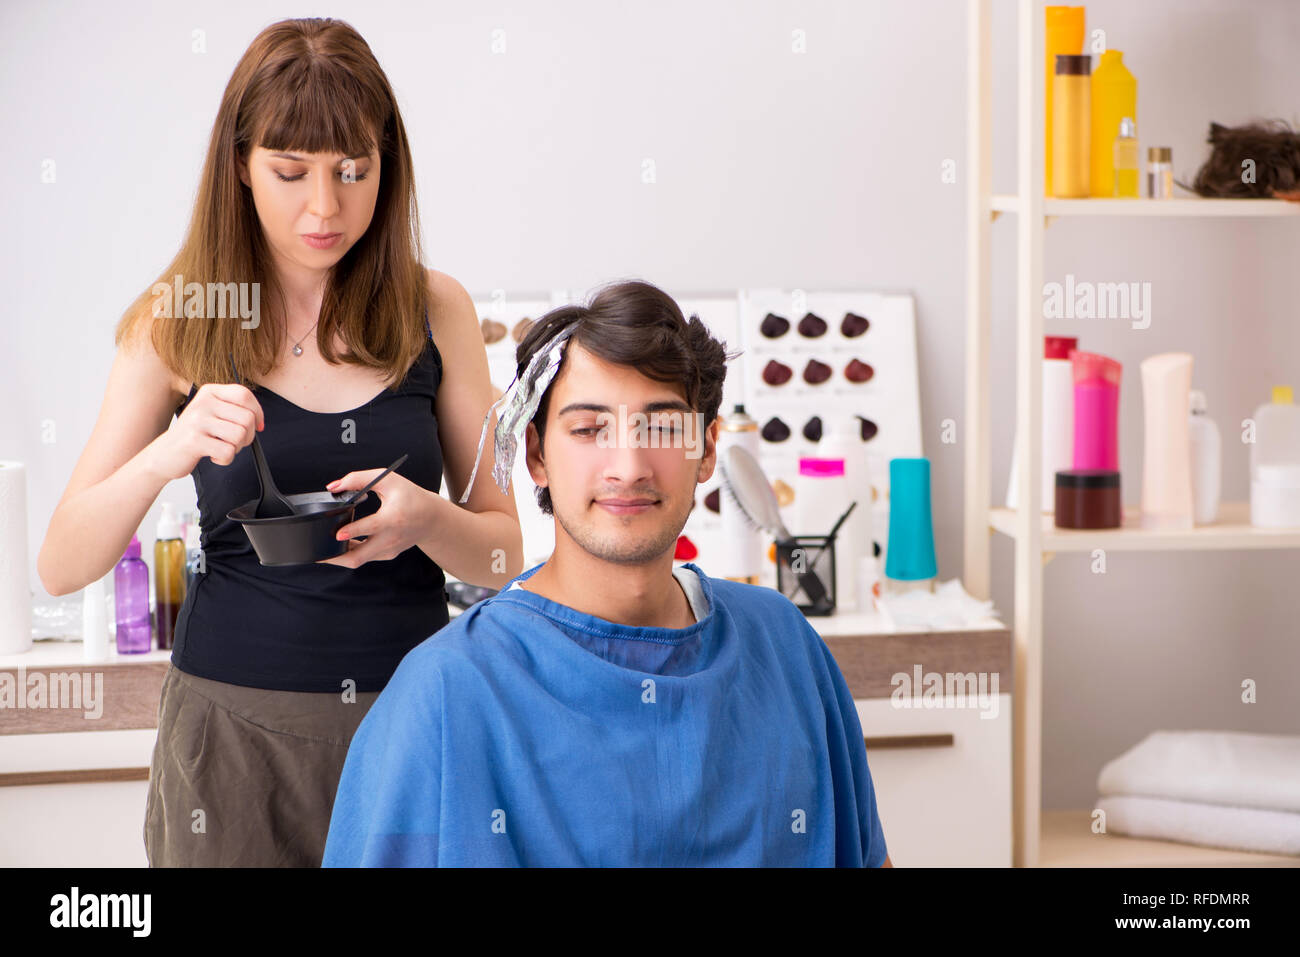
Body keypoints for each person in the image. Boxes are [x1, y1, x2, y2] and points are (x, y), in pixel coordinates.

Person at [36, 18, 523, 867]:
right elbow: (61, 563)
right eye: (291, 172)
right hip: (231, 740)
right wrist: (170, 450)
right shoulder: (180, 316)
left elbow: (505, 557)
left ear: (387, 166)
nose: (325, 207)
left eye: (353, 171)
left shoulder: (434, 309)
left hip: (411, 724)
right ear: (240, 165)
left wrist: (428, 522)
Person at [323, 280, 893, 866]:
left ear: (707, 449)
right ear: (537, 456)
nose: (628, 467)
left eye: (663, 427)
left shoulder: (783, 644)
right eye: (590, 429)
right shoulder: (449, 690)